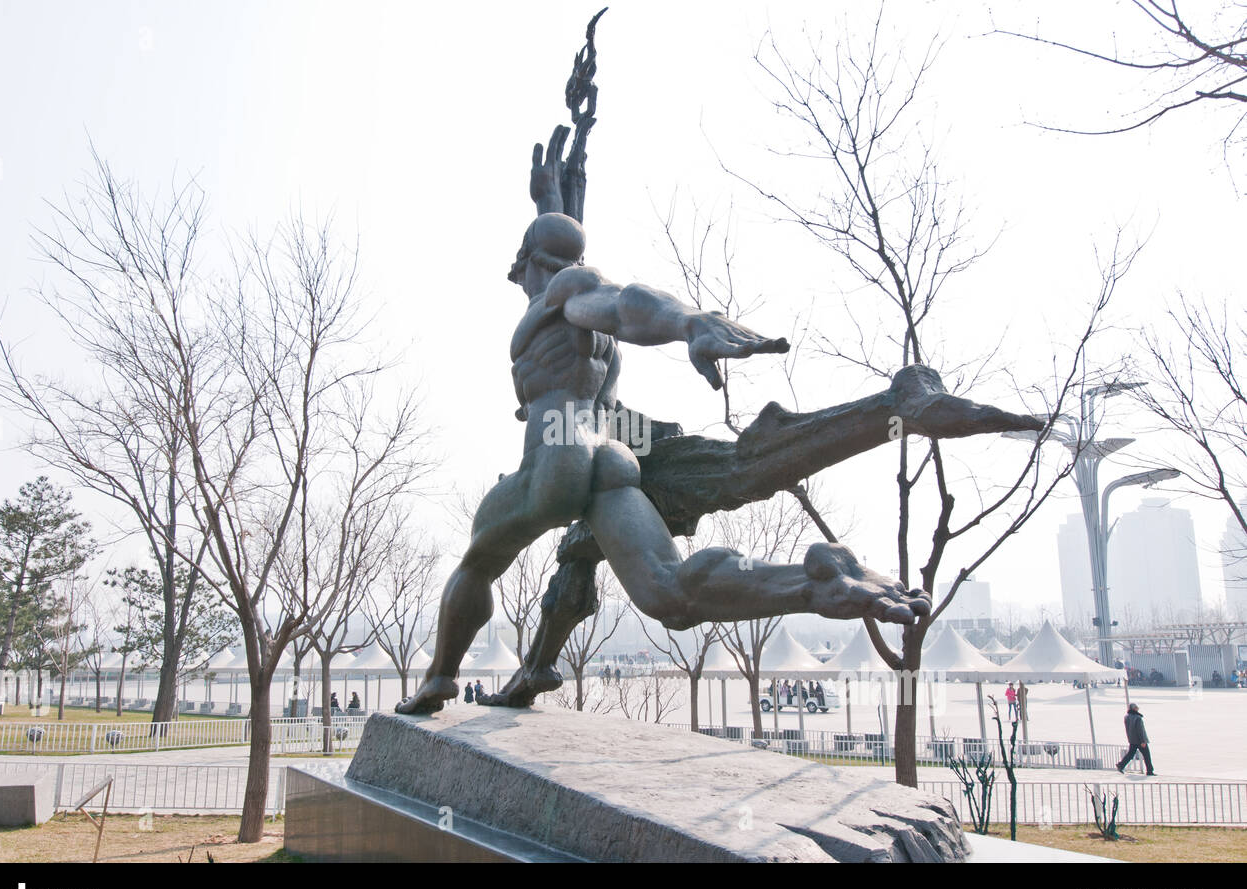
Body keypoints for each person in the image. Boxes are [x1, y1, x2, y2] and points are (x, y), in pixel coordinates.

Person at [393, 130, 931, 715]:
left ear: (523, 263)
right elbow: (591, 283)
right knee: (669, 593)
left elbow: (620, 302)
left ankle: (439, 679)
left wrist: (686, 321)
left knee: (478, 560)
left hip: (556, 456)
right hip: (607, 458)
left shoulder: (559, 295)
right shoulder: (566, 298)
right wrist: (551, 204)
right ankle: (816, 582)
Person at [1116, 702, 1155, 776]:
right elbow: (1140, 730)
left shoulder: (1127, 717)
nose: (1138, 708)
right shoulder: (1137, 718)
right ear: (1134, 708)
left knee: (1130, 754)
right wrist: (1143, 741)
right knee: (1146, 755)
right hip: (1140, 741)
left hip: (1132, 740)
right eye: (1136, 707)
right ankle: (1149, 771)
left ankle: (1121, 765)